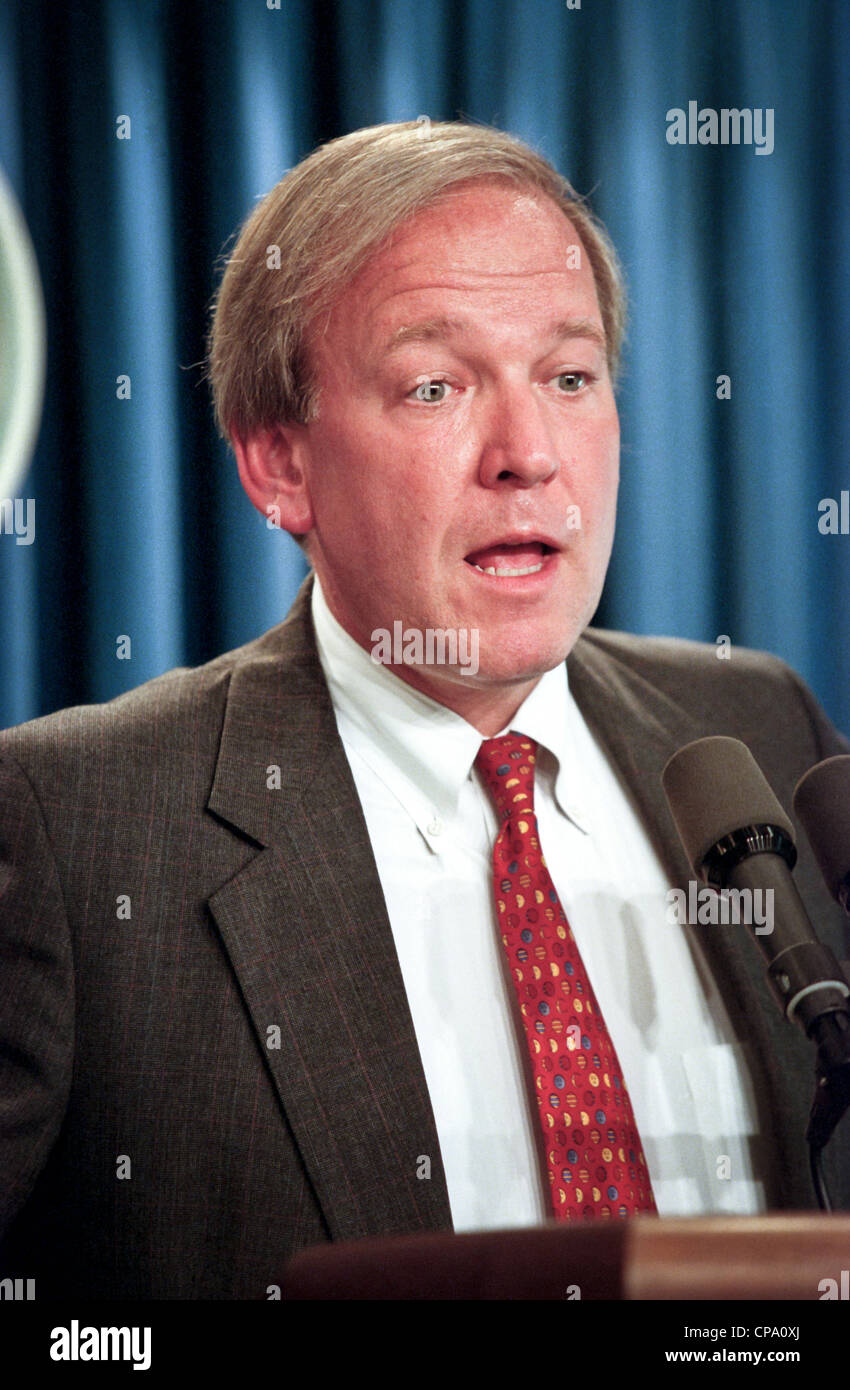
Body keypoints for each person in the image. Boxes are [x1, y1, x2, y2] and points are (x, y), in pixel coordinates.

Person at [1, 120, 848, 1301]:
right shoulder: (76, 825)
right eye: (435, 386)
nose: (527, 455)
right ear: (277, 463)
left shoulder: (756, 732)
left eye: (568, 375)